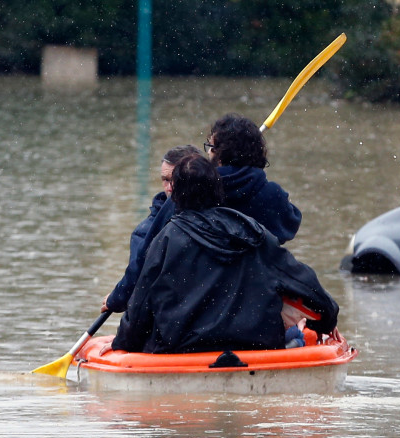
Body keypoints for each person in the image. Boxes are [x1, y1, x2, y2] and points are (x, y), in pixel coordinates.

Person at [113, 151, 338, 354]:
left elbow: (140, 303)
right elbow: (302, 281)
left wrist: (122, 345)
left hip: (181, 347)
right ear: (217, 188)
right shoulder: (253, 231)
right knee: (296, 336)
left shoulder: (165, 239)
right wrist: (327, 319)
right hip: (253, 344)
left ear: (177, 194)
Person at [102, 145, 202, 315]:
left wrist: (117, 298)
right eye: (165, 179)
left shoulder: (223, 219)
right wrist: (117, 298)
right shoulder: (146, 230)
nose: (169, 187)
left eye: (175, 179)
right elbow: (138, 276)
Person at [206, 113, 301, 244]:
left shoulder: (196, 191)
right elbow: (290, 223)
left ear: (220, 153)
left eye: (211, 147)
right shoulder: (271, 194)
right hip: (259, 263)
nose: (208, 152)